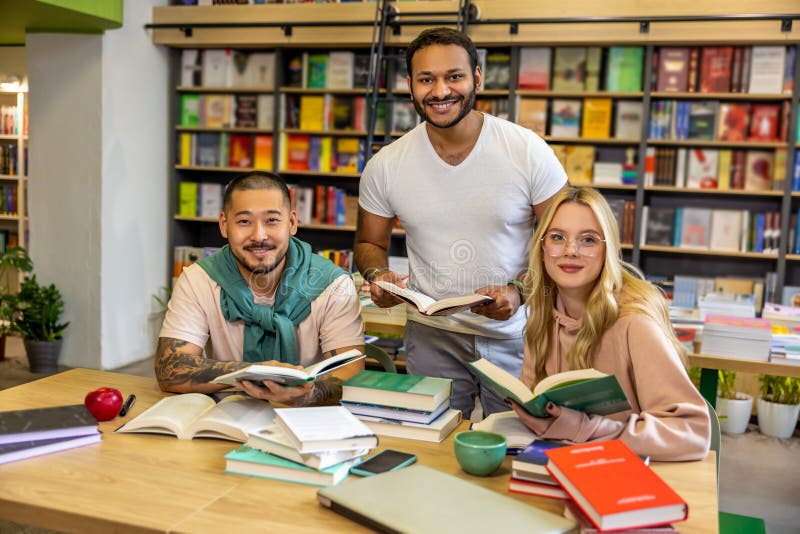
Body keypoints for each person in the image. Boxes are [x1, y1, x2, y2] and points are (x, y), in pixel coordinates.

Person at [355, 27, 568, 418]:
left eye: (454, 76)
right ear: (410, 85)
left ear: (477, 77)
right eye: (426, 79)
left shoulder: (526, 150)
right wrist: (378, 273)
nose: (440, 91)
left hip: (516, 334)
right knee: (431, 444)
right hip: (431, 335)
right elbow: (370, 244)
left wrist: (520, 291)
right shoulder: (386, 165)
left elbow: (564, 241)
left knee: (513, 444)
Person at [511, 186, 710, 461]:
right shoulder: (544, 311)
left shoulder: (635, 322)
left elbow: (694, 432)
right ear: (542, 247)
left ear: (608, 250)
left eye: (588, 240)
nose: (571, 250)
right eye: (558, 238)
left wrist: (583, 428)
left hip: (630, 472)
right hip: (563, 461)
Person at [156, 171, 364, 406]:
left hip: (308, 420)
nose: (259, 235)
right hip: (225, 417)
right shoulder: (199, 279)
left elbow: (351, 376)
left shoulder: (333, 285)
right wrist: (254, 372)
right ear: (224, 225)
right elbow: (170, 369)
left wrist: (307, 394)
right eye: (244, 221)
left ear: (292, 223)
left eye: (272, 220)